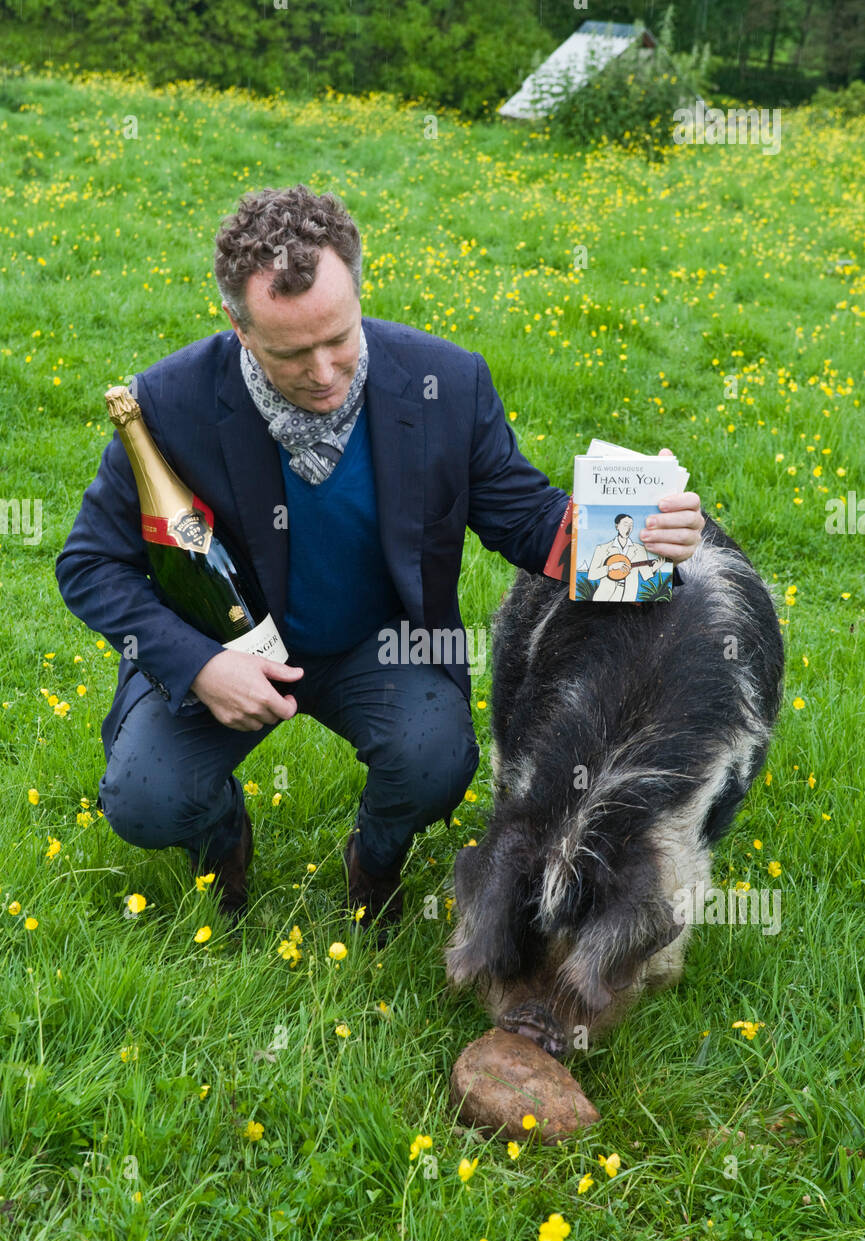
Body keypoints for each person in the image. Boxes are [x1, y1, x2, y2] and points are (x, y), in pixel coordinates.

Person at [55, 185, 705, 936]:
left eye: (340, 337)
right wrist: (198, 665)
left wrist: (635, 534)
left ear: (359, 292)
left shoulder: (446, 384)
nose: (325, 372)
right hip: (225, 647)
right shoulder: (167, 404)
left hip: (380, 641)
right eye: (291, 352)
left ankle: (375, 856)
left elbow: (524, 518)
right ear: (235, 323)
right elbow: (90, 565)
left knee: (434, 761)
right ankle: (220, 837)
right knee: (144, 798)